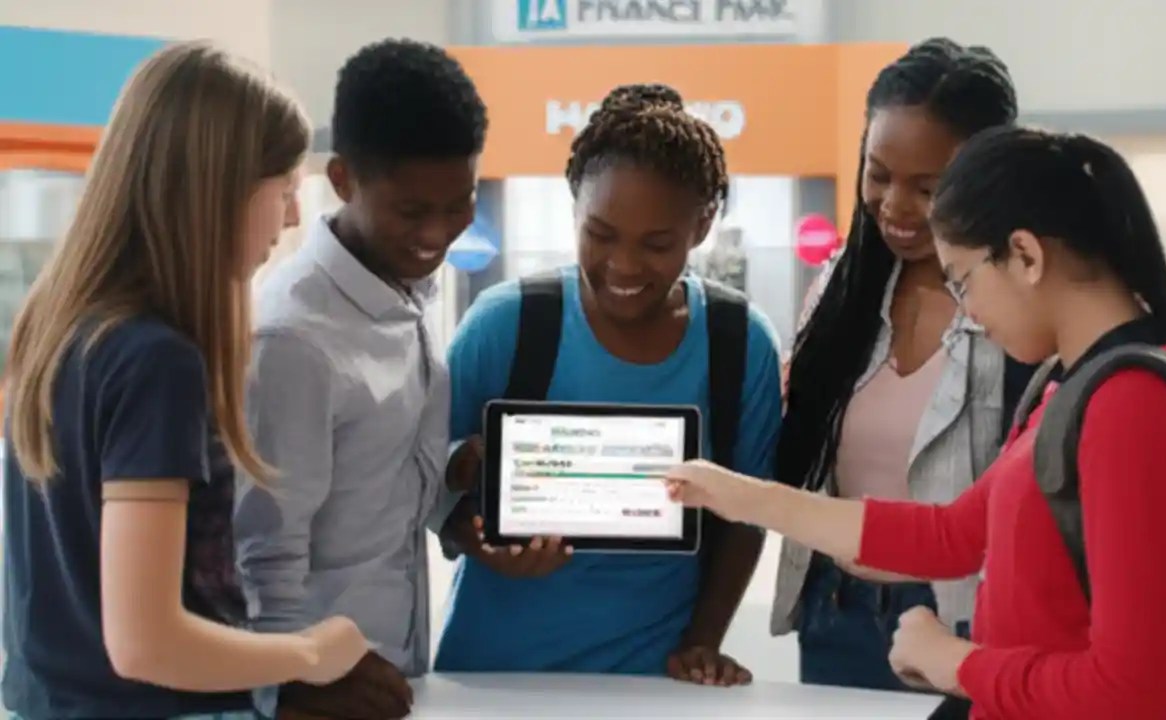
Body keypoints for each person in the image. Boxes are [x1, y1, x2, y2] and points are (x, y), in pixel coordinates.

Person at [665, 126, 1166, 719]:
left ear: (1026, 256)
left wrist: (953, 662)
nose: (969, 310)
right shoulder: (1072, 386)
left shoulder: (1131, 407)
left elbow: (1132, 693)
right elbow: (951, 535)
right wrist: (738, 495)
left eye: (963, 280)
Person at [0, 42, 369, 720]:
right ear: (216, 190)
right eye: (283, 191)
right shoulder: (154, 361)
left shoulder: (59, 330)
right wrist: (311, 652)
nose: (292, 219)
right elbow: (145, 643)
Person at [435, 83, 784, 684]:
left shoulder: (739, 343)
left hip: (655, 682)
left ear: (701, 226)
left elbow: (745, 516)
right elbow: (428, 487)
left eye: (656, 244)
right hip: (492, 679)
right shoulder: (505, 326)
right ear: (574, 207)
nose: (623, 266)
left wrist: (703, 642)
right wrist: (477, 539)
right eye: (600, 234)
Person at [232, 39, 487, 720]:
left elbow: (367, 485)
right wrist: (292, 684)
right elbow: (263, 553)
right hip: (324, 697)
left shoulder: (403, 294)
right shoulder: (290, 339)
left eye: (459, 203)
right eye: (412, 211)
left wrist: (449, 487)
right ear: (342, 179)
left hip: (397, 681)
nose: (438, 233)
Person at [772, 38, 1032, 691]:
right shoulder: (839, 288)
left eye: (927, 187)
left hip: (965, 623)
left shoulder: (1023, 299)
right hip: (834, 612)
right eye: (878, 173)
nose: (894, 205)